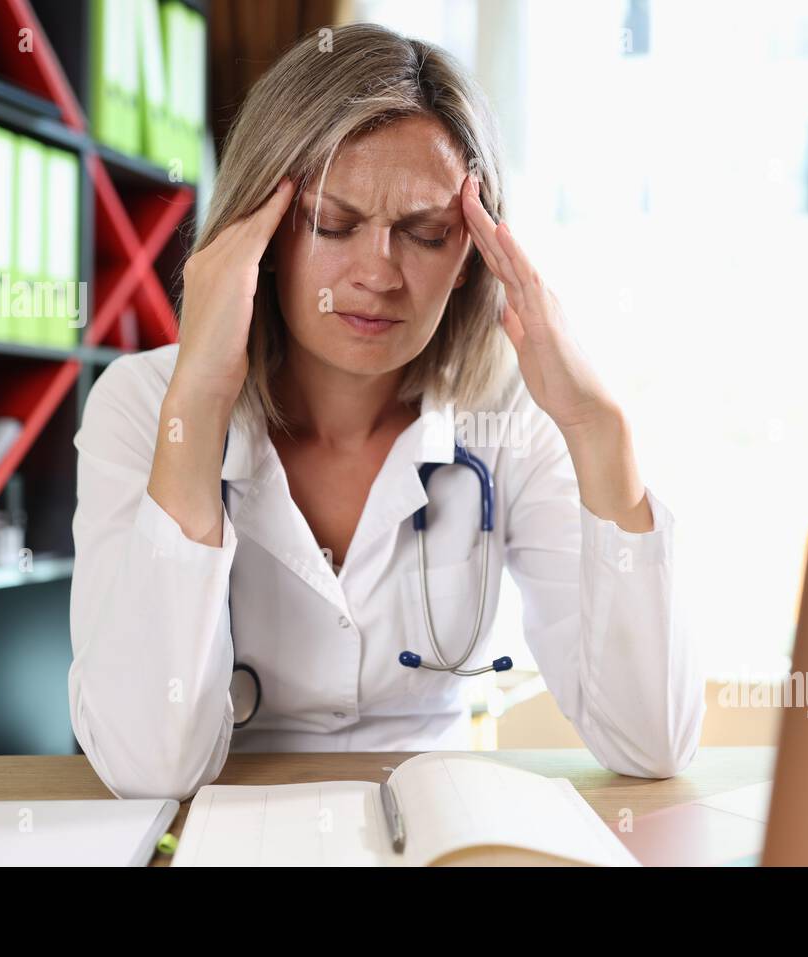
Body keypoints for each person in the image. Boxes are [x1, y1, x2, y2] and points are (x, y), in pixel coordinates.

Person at [68, 22, 704, 800]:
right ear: (253, 235)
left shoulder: (507, 420)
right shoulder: (141, 407)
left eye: (427, 233)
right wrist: (199, 405)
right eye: (332, 224)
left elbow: (651, 740)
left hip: (434, 825)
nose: (378, 273)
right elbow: (148, 766)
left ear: (473, 251)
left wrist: (602, 433)